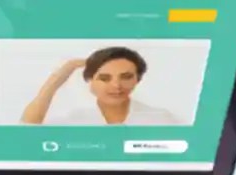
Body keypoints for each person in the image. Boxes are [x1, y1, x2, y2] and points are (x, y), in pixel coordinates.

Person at [19, 46, 182, 126]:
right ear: (90, 81)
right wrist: (60, 76)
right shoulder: (76, 120)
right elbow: (27, 129)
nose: (116, 85)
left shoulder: (161, 118)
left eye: (126, 77)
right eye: (104, 78)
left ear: (137, 79)